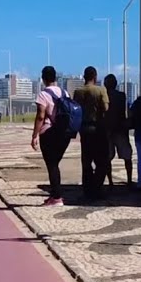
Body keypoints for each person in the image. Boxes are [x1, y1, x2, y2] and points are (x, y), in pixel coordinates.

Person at [31, 65, 71, 207]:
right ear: (55, 77)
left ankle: (57, 197)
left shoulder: (43, 95)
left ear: (43, 79)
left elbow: (40, 116)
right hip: (64, 134)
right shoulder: (65, 93)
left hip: (49, 133)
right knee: (55, 163)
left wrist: (34, 135)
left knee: (52, 164)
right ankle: (55, 195)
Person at [73, 66, 111, 200]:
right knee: (102, 160)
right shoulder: (100, 90)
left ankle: (87, 189)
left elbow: (75, 109)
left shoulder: (78, 92)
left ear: (84, 77)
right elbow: (106, 108)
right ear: (95, 77)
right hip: (98, 128)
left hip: (84, 128)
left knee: (86, 160)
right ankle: (97, 187)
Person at [102, 74, 133, 185]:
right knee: (127, 157)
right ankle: (129, 180)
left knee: (107, 157)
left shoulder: (103, 96)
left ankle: (110, 182)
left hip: (107, 130)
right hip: (120, 129)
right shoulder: (121, 96)